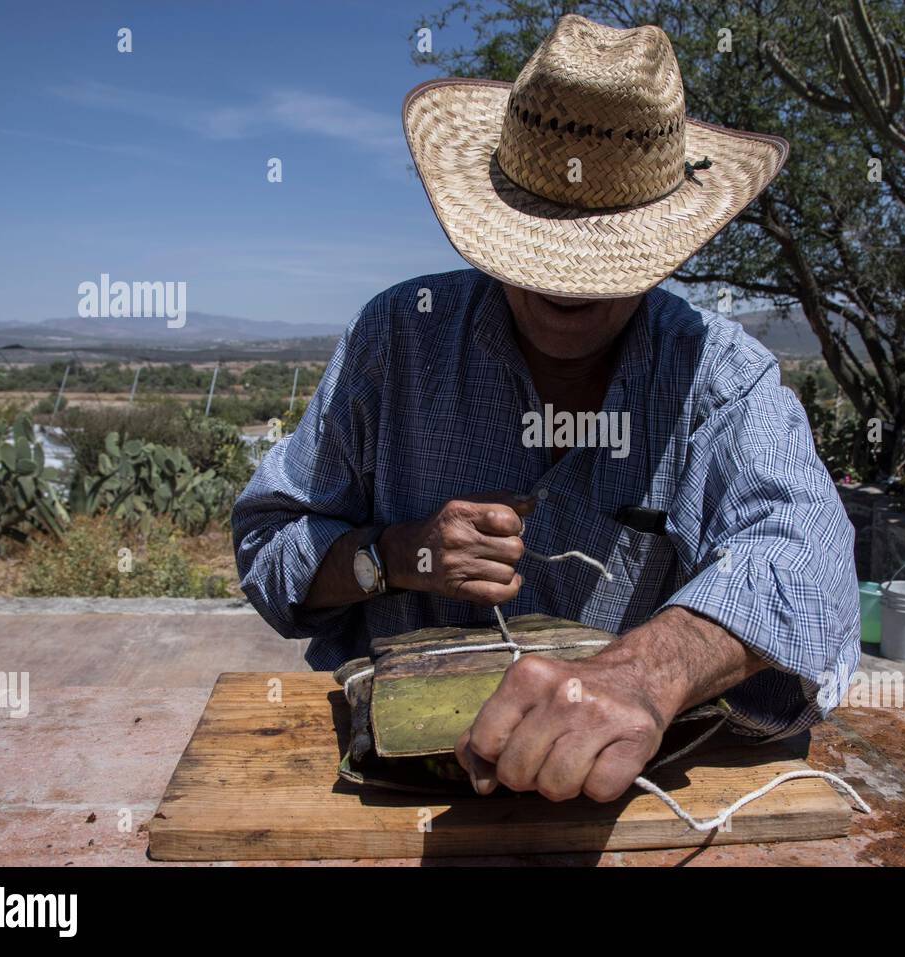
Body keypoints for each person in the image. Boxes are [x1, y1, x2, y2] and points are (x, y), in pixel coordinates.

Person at [233, 14, 859, 804]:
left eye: (601, 258)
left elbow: (810, 565)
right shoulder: (396, 340)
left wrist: (642, 673)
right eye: (540, 248)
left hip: (622, 804)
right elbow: (268, 545)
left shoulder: (718, 374)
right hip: (408, 793)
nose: (566, 287)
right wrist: (396, 555)